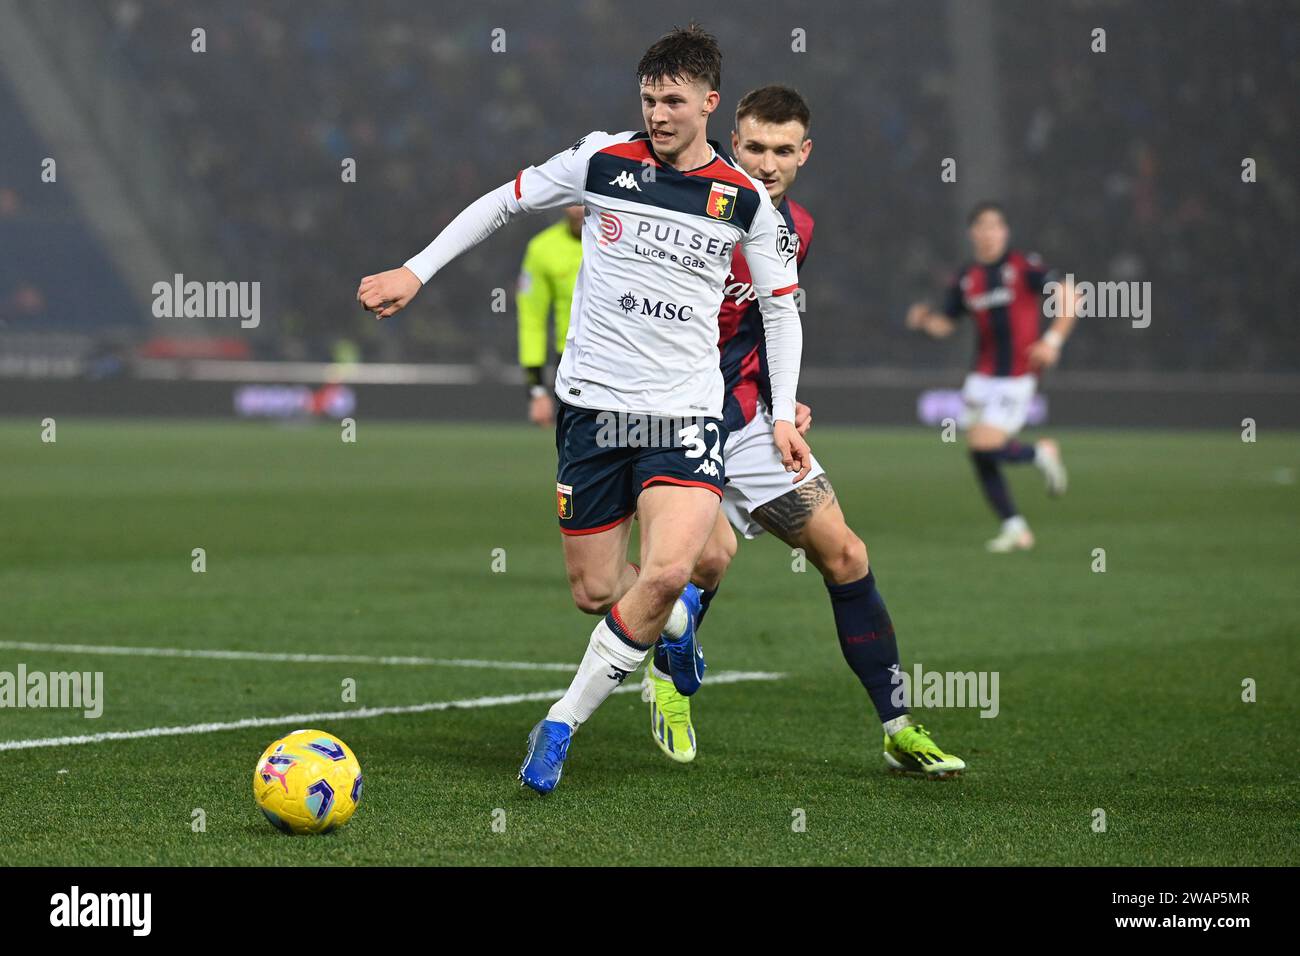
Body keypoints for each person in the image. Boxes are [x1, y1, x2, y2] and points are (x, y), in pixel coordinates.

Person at [356, 24, 811, 794]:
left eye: (673, 100)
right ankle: (671, 629)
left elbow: (781, 309)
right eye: (648, 99)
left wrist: (780, 408)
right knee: (598, 593)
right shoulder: (601, 160)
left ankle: (560, 722)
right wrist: (417, 269)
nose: (659, 114)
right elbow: (503, 203)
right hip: (592, 411)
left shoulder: (744, 203)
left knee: (668, 569)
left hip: (685, 417)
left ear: (709, 102)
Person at [641, 85, 965, 777]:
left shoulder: (799, 230)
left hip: (750, 416)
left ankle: (897, 726)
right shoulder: (687, 206)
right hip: (674, 413)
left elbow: (766, 325)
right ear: (732, 139)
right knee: (708, 561)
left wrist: (782, 404)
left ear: (804, 153)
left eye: (782, 151)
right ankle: (667, 677)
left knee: (845, 554)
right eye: (754, 147)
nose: (765, 164)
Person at [905, 202, 1075, 552]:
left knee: (985, 443)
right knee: (980, 453)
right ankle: (1016, 528)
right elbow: (945, 325)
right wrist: (923, 321)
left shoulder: (1023, 267)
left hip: (1017, 374)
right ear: (973, 233)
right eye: (982, 226)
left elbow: (1070, 295)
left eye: (996, 226)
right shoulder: (967, 278)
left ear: (1005, 232)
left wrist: (1052, 340)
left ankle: (1039, 454)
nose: (989, 232)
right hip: (980, 377)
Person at [517, 206, 584, 426]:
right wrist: (536, 390)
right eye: (574, 200)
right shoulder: (542, 249)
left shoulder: (629, 242)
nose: (578, 209)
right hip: (573, 367)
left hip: (628, 361)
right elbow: (532, 321)